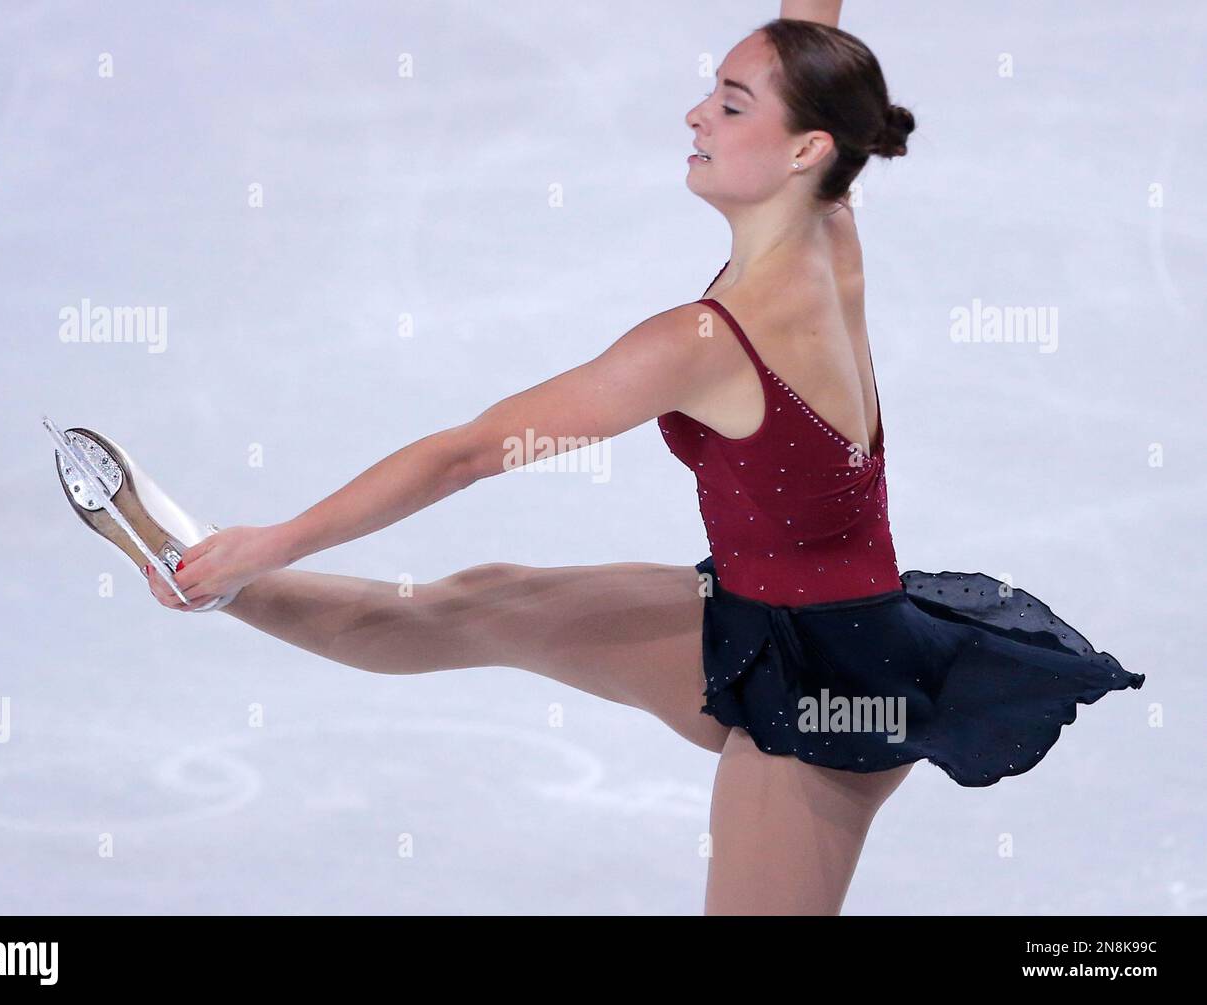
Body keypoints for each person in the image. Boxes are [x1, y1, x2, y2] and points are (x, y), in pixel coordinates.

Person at [65, 1, 1143, 914]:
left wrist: (285, 532)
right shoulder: (832, 226)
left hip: (820, 702)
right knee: (481, 604)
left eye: (730, 104)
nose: (695, 113)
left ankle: (234, 561)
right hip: (775, 624)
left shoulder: (702, 343)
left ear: (805, 148)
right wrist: (250, 555)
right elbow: (815, 30)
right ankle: (205, 567)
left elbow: (467, 455)